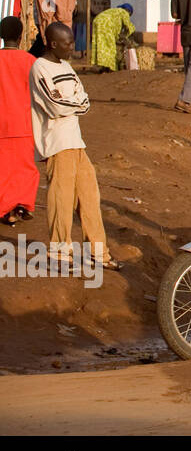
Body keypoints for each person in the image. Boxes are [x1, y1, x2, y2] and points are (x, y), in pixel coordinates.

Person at [30, 23, 121, 270]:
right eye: (68, 43)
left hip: (76, 141)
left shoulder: (67, 67)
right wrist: (74, 103)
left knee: (89, 196)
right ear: (52, 43)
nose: (72, 47)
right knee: (62, 198)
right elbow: (55, 106)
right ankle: (59, 253)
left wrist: (70, 102)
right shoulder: (40, 68)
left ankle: (99, 253)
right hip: (58, 143)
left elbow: (85, 101)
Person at [1, 16, 38, 227]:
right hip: (23, 123)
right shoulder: (30, 61)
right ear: (21, 36)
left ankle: (6, 209)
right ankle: (22, 205)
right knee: (24, 167)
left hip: (1, 124)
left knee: (3, 168)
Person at [89, 3, 135, 72]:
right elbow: (129, 26)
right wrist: (129, 34)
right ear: (129, 11)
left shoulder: (114, 11)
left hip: (97, 20)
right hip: (106, 24)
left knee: (101, 46)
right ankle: (110, 68)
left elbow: (117, 29)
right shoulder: (124, 12)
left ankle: (103, 66)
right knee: (110, 47)